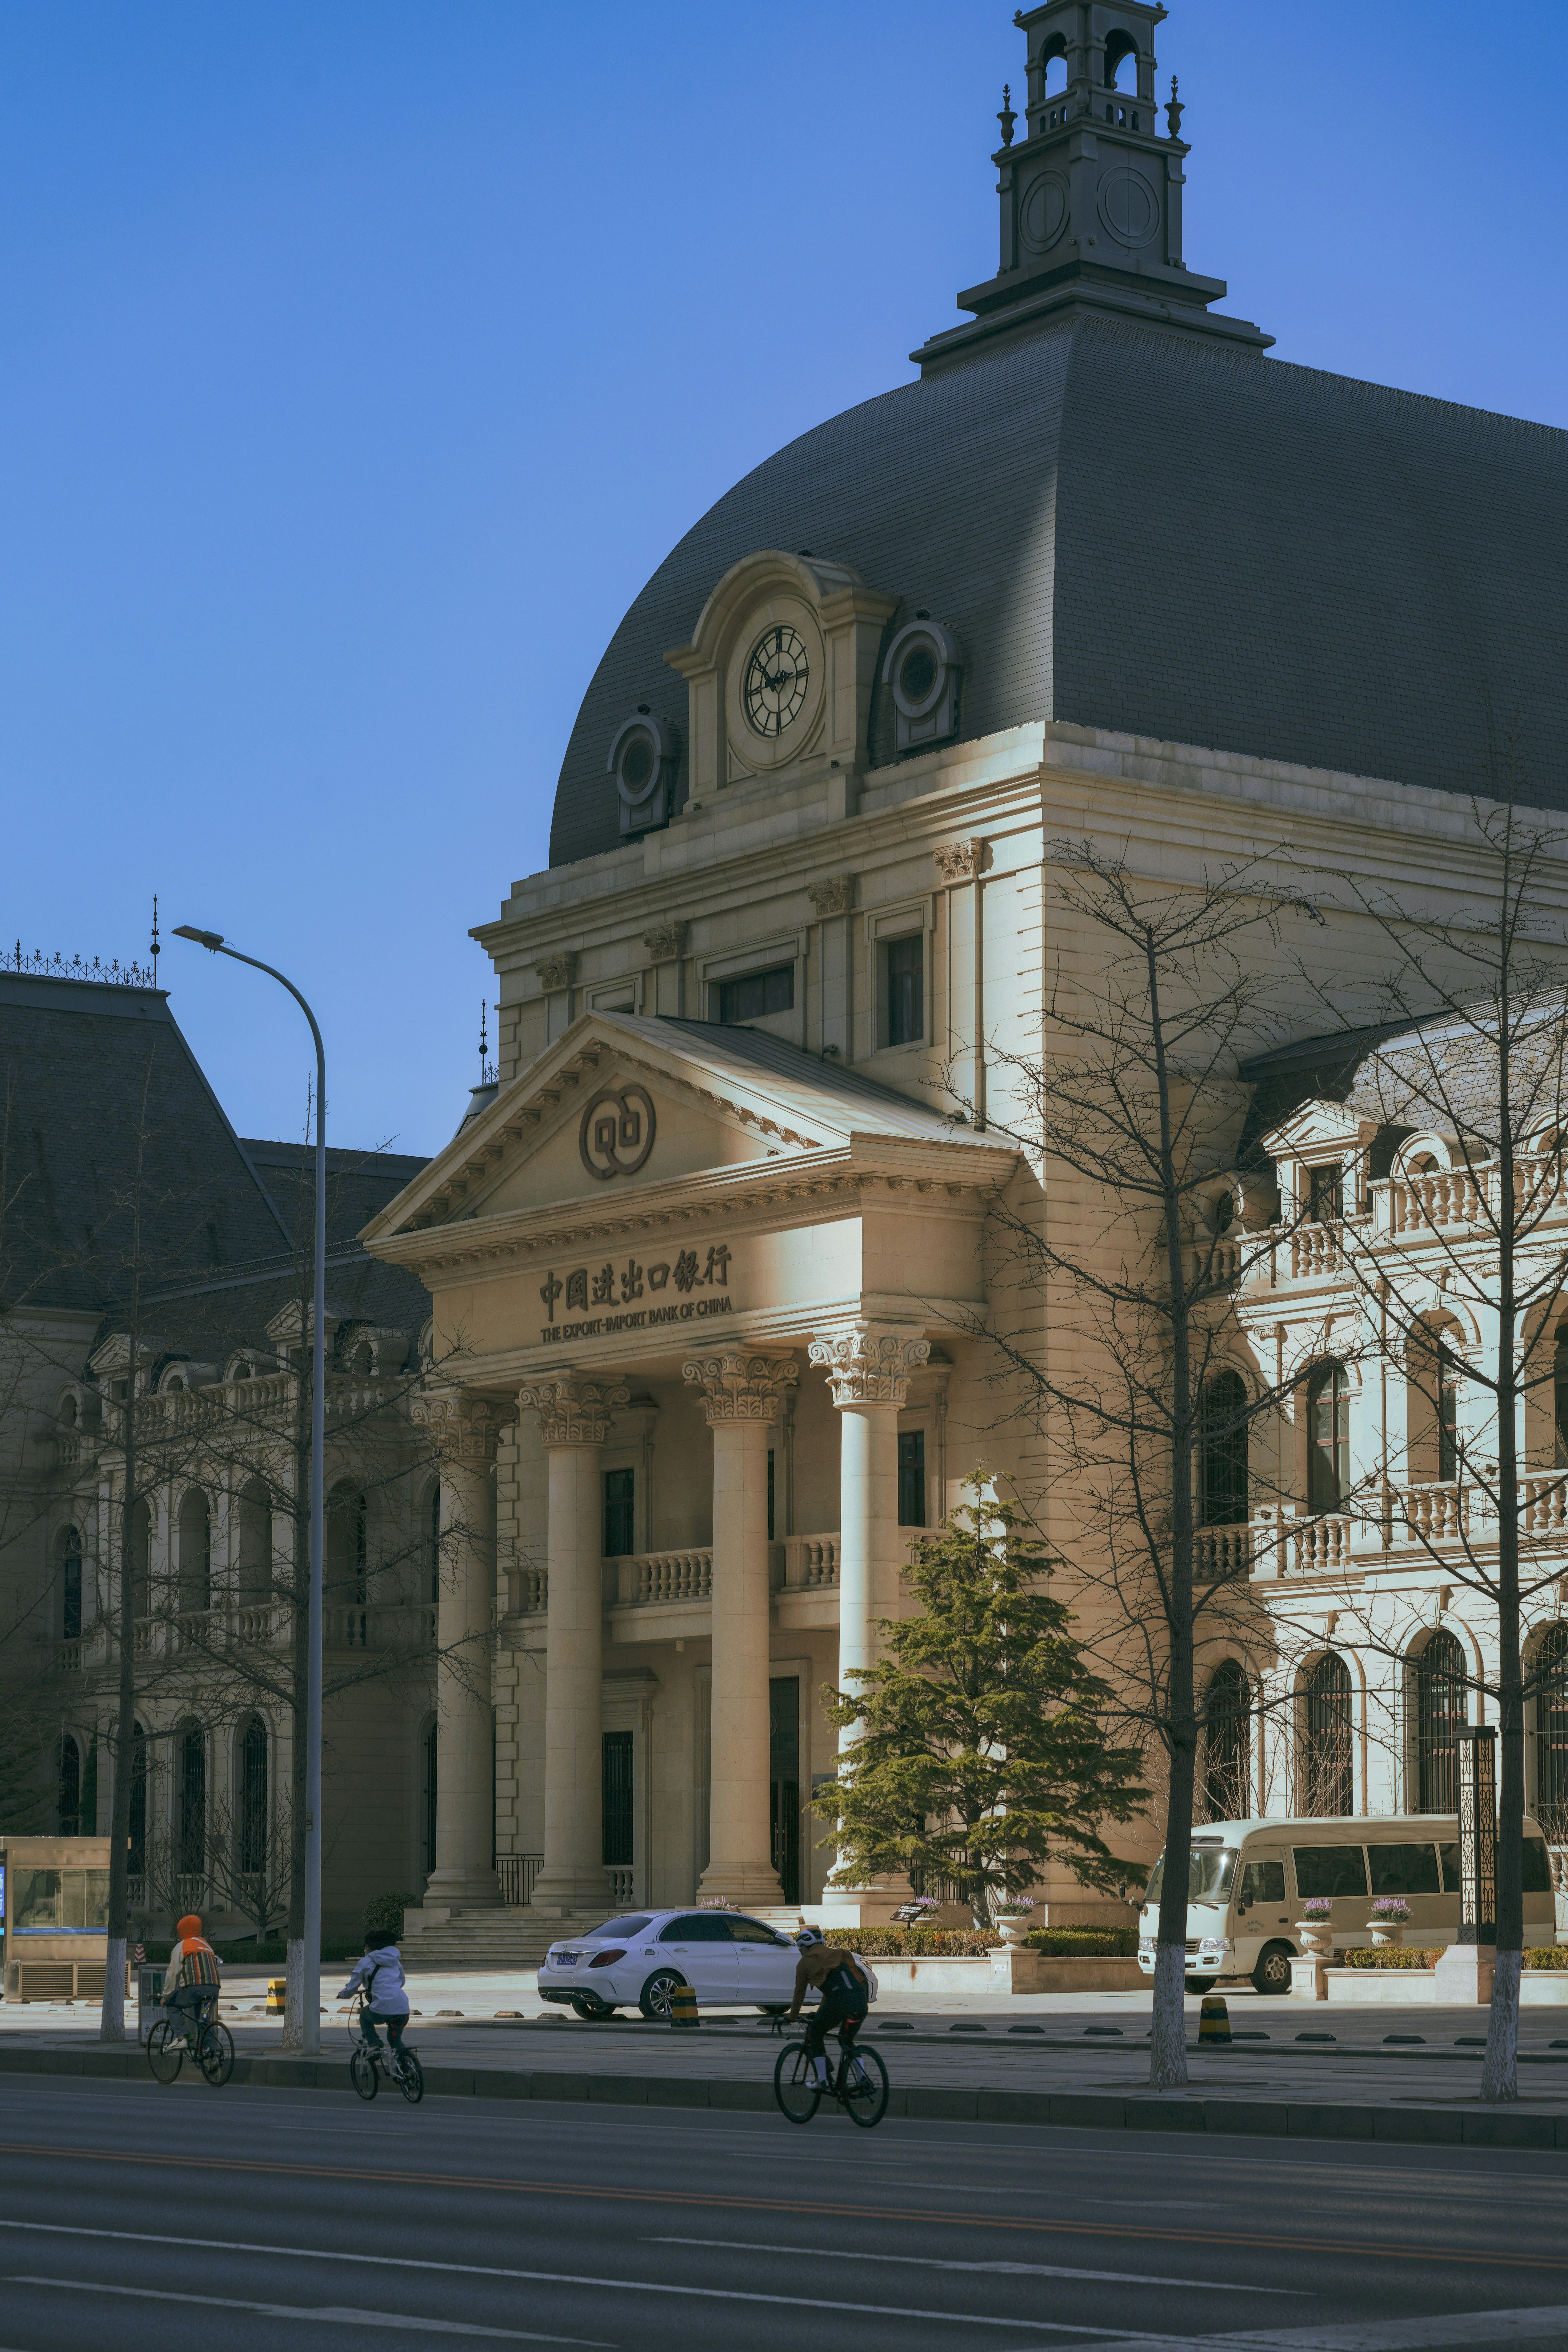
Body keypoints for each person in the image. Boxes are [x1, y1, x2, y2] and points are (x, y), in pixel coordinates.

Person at [785, 1925, 870, 2087]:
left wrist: (792, 2017)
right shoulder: (837, 1954)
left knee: (816, 2033)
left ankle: (822, 2080)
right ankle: (862, 2079)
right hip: (860, 2000)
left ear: (805, 1948)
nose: (801, 1953)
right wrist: (819, 2014)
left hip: (840, 2002)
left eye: (800, 1950)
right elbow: (829, 1993)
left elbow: (799, 1995)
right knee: (847, 2042)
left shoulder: (805, 1962)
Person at [337, 1934, 411, 2070]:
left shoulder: (365, 1962)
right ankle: (408, 2071)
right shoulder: (395, 1960)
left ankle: (374, 2045)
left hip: (382, 2008)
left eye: (365, 1946)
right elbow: (402, 1982)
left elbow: (353, 1987)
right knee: (396, 2041)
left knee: (365, 2016)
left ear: (369, 1946)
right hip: (403, 2008)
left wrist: (342, 1995)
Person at [161, 1914, 222, 2043]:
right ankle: (213, 2055)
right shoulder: (207, 1946)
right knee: (205, 2020)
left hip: (195, 1991)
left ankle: (182, 2037)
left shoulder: (182, 1946)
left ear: (181, 1931)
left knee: (172, 2005)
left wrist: (166, 1996)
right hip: (213, 1991)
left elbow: (173, 1973)